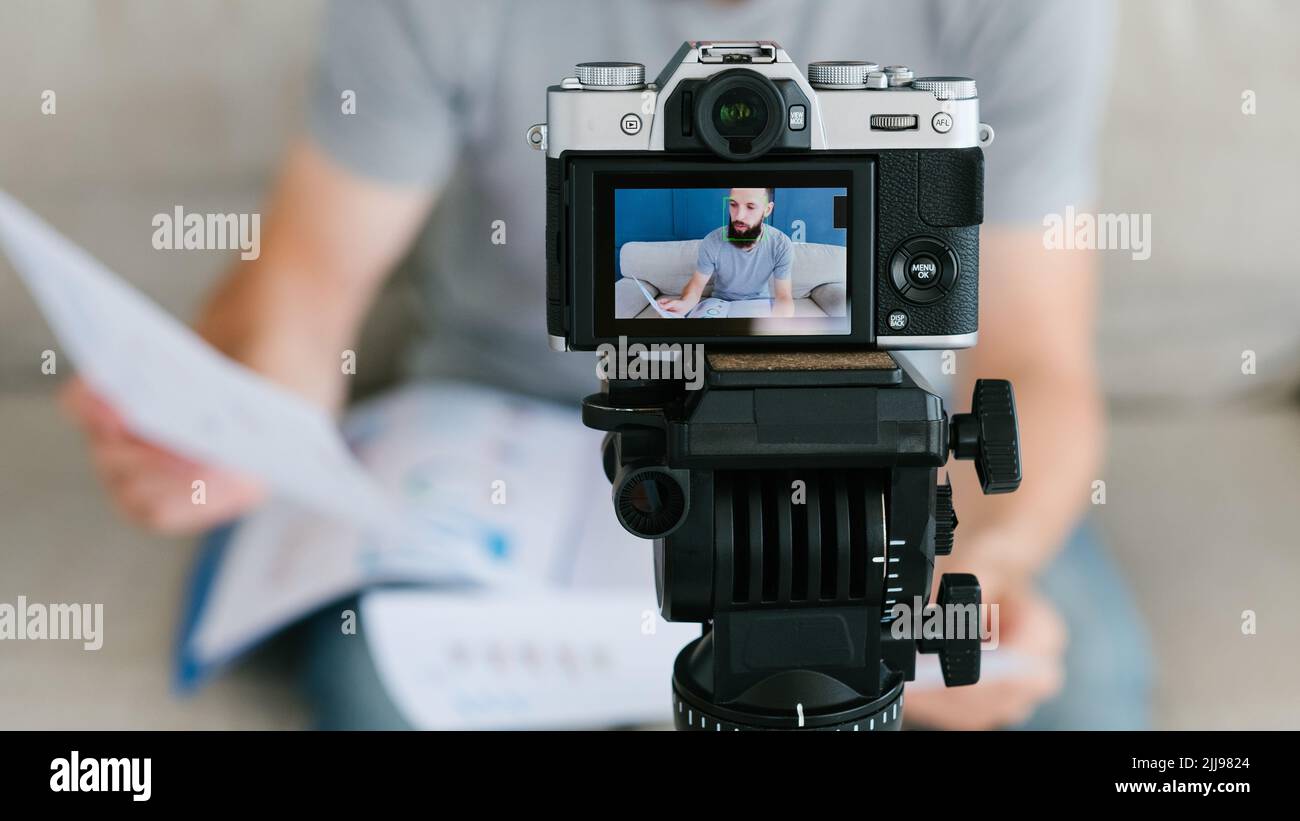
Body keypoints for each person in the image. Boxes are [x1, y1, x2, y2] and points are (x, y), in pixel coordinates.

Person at [60, 0, 1150, 729]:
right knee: (377, 676)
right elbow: (306, 287)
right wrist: (235, 417)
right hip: (533, 417)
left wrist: (983, 561)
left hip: (885, 439)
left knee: (1074, 681)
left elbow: (1032, 357)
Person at [658, 187, 796, 317]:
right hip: (720, 304)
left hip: (758, 304)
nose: (739, 216)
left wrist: (780, 326)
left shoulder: (781, 244)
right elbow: (696, 284)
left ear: (767, 209)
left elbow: (784, 296)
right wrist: (684, 304)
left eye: (750, 207)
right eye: (733, 204)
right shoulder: (712, 241)